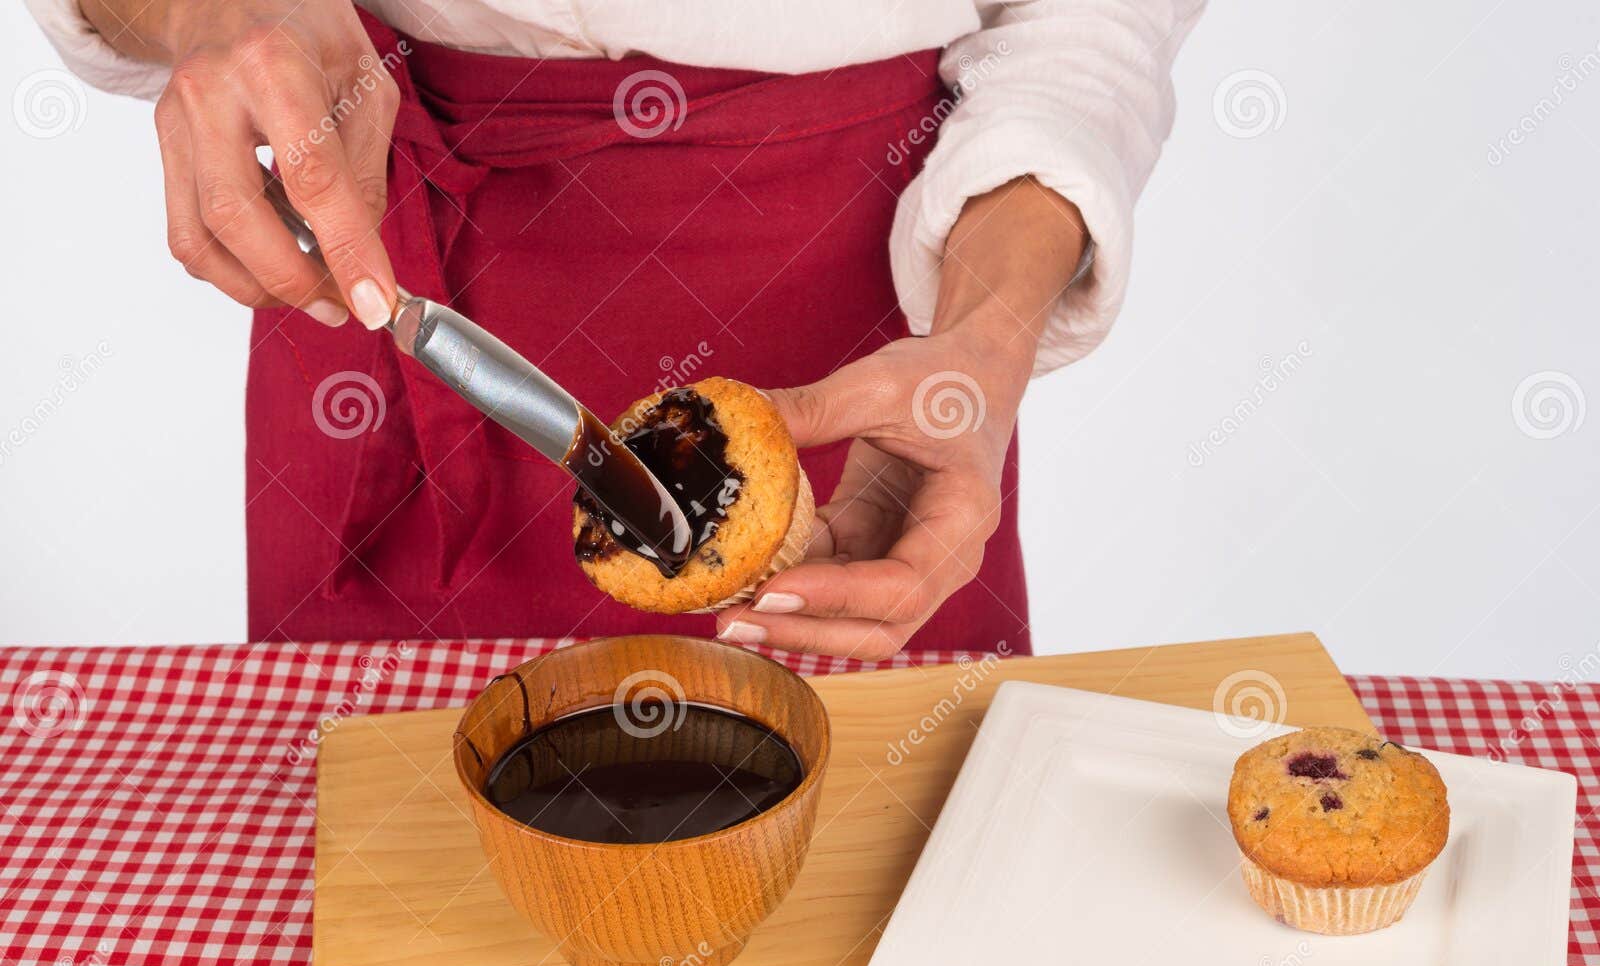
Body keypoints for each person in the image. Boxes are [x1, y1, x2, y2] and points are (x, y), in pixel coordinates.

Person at [28, 0, 1203, 658]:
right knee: (400, 936)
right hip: (382, 242)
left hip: (876, 324)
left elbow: (1089, 26)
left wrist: (985, 338)